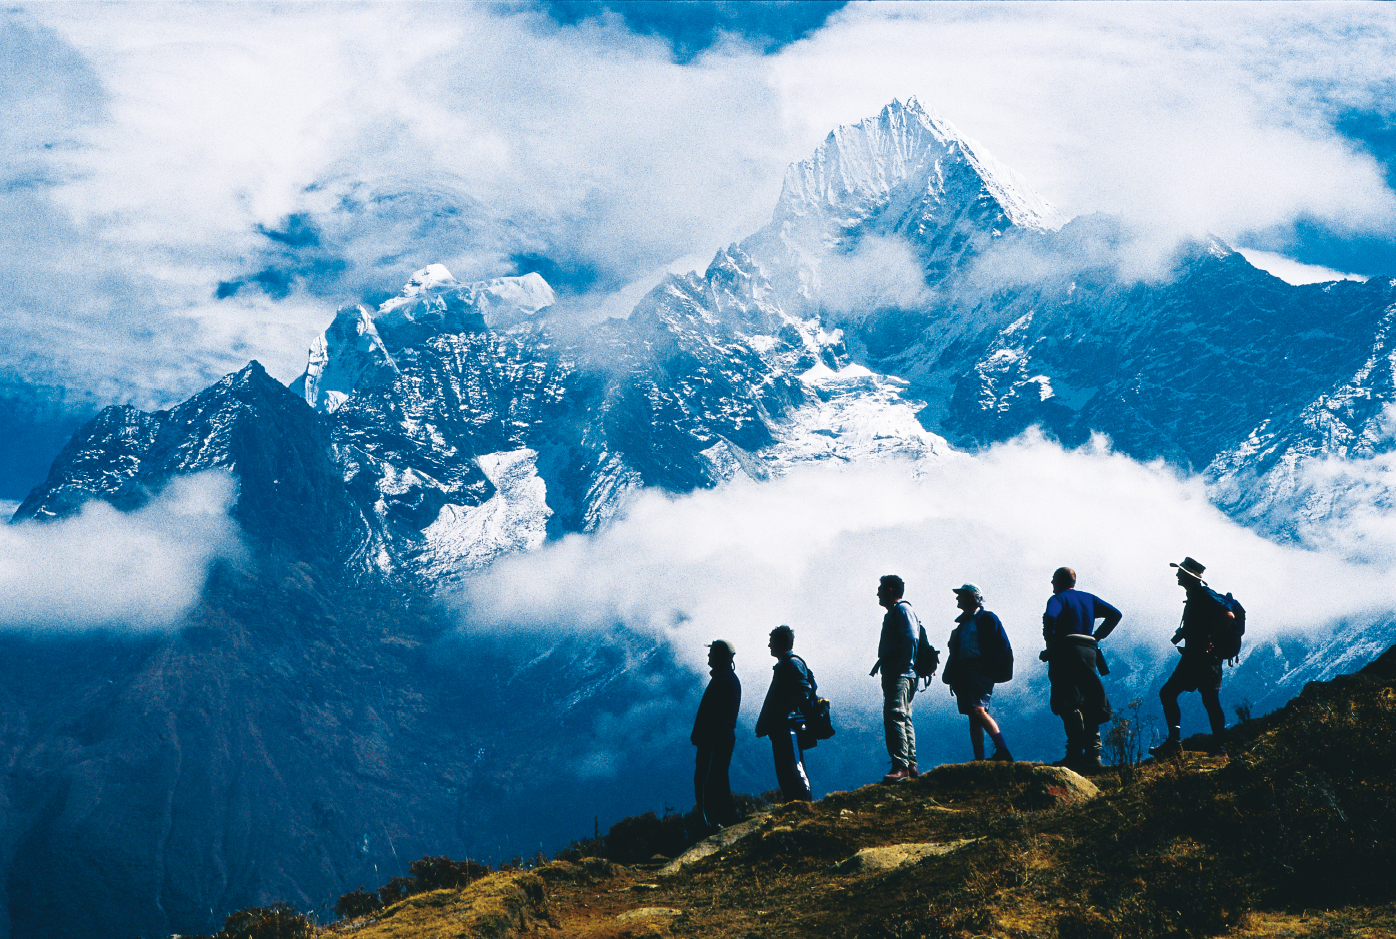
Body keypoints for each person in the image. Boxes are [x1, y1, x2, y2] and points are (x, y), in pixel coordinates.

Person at [1040, 567, 1122, 774]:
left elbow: (1051, 617)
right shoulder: (1089, 599)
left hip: (1066, 651)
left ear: (1058, 582)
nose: (1051, 585)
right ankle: (1094, 756)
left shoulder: (1057, 599)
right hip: (1089, 651)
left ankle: (1075, 754)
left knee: (1067, 701)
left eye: (1053, 581)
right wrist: (1097, 636)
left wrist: (1051, 643)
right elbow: (1115, 614)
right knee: (1090, 699)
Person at [1149, 557, 1231, 758]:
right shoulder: (1196, 595)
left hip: (1204, 658)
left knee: (1177, 694)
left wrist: (1210, 639)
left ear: (1188, 576)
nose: (1177, 575)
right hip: (1196, 656)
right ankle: (1212, 746)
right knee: (1205, 699)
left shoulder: (1204, 596)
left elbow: (1229, 616)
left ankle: (1181, 743)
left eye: (1180, 572)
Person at [943, 584, 1014, 762]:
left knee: (978, 710)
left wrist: (987, 666)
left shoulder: (988, 618)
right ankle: (980, 759)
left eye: (961, 595)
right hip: (965, 672)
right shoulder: (963, 624)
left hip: (980, 670)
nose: (958, 599)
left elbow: (1002, 645)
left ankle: (1002, 750)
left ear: (971, 597)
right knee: (972, 715)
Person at [754, 625, 815, 802]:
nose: (769, 646)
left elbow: (804, 692)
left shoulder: (792, 664)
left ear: (779, 643)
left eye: (771, 642)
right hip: (781, 726)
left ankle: (804, 805)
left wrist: (782, 714)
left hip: (789, 726)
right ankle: (794, 803)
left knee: (794, 768)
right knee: (785, 769)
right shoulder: (785, 665)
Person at [870, 574, 919, 783]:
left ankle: (901, 766)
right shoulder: (895, 613)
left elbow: (911, 637)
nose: (877, 593)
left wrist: (903, 666)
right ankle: (910, 765)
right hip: (898, 673)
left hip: (900, 674)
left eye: (880, 589)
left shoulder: (902, 610)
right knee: (903, 716)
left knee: (894, 715)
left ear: (890, 590)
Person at [691, 639, 740, 832]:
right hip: (723, 736)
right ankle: (726, 817)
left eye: (711, 653)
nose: (708, 656)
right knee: (719, 777)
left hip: (714, 738)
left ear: (720, 656)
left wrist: (702, 735)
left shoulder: (721, 681)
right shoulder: (728, 679)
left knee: (705, 779)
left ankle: (710, 822)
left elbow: (714, 713)